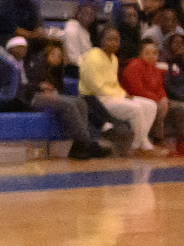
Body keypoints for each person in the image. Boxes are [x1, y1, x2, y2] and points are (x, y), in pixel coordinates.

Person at [19, 40, 106, 160]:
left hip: (52, 97)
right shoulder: (36, 66)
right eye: (53, 55)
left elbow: (60, 90)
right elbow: (24, 86)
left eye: (59, 56)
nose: (57, 58)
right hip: (35, 97)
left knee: (80, 102)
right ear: (46, 55)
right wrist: (40, 86)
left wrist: (54, 91)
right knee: (68, 104)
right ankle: (85, 140)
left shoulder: (57, 71)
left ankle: (78, 146)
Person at [81, 25, 157, 155]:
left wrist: (124, 95)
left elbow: (115, 84)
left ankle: (138, 142)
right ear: (101, 40)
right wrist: (119, 95)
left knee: (151, 105)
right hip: (99, 100)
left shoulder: (114, 59)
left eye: (116, 39)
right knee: (136, 109)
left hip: (115, 97)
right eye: (109, 39)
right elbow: (97, 87)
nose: (114, 43)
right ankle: (143, 143)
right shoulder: (93, 56)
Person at [121, 39, 174, 146]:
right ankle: (153, 138)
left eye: (154, 53)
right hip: (132, 98)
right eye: (148, 53)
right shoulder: (134, 66)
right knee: (155, 106)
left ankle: (179, 142)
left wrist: (163, 98)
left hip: (152, 99)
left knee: (178, 108)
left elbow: (160, 88)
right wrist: (157, 99)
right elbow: (137, 90)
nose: (151, 56)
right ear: (141, 54)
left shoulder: (155, 69)